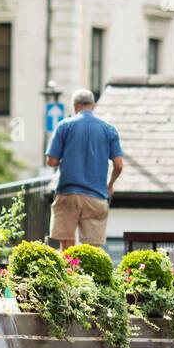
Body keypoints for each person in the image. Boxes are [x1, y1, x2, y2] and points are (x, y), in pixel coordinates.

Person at [46, 88, 123, 249]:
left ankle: (69, 271)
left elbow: (51, 161)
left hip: (68, 192)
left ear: (75, 106)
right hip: (96, 195)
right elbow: (118, 165)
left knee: (66, 241)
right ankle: (88, 273)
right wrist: (110, 185)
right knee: (92, 248)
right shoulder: (109, 129)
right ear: (93, 106)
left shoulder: (64, 126)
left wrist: (68, 162)